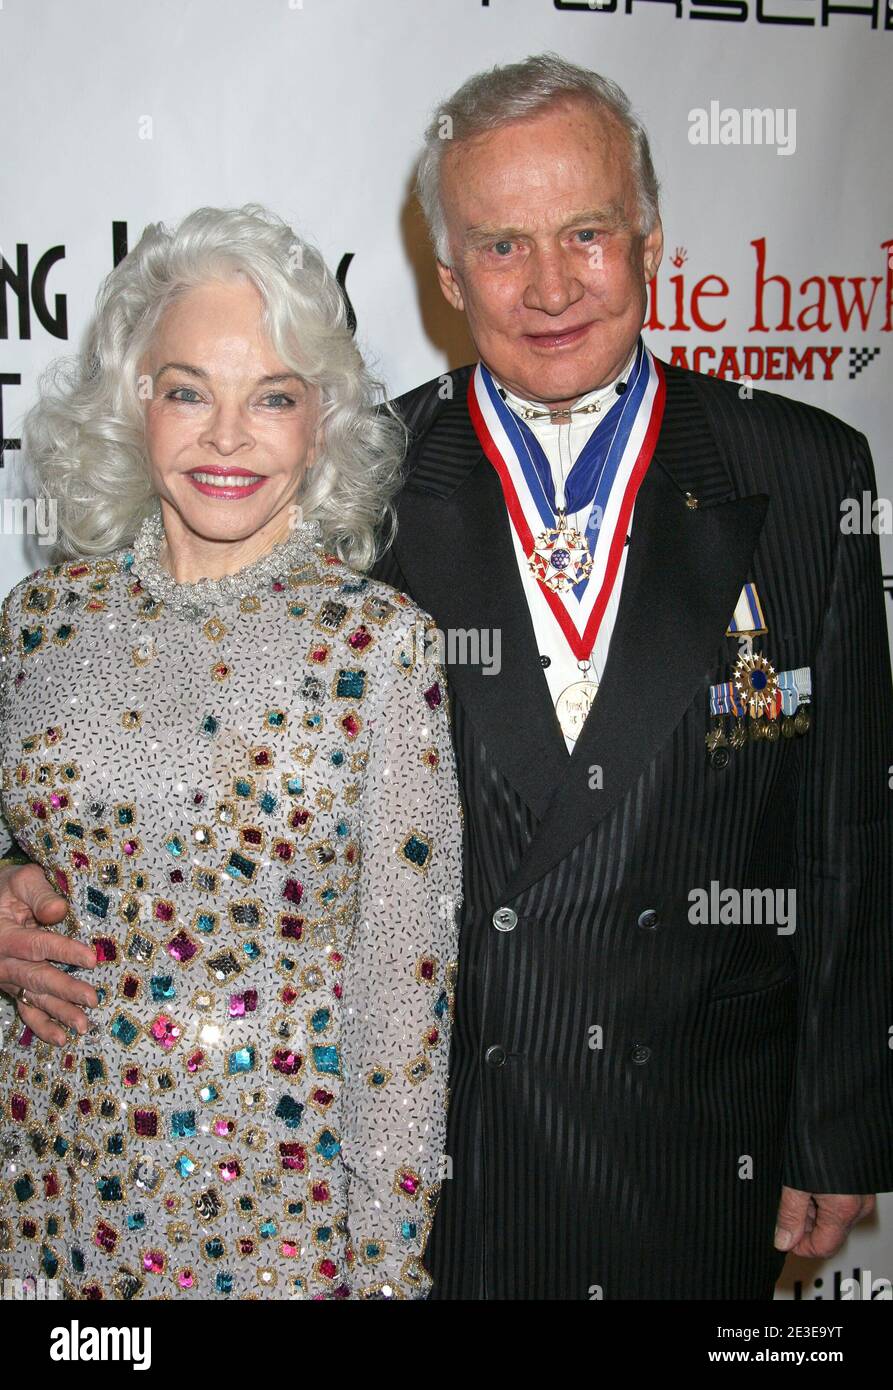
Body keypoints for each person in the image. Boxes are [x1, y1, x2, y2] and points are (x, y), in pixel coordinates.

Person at [366, 54, 892, 1298]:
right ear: (449, 278)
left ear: (649, 240)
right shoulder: (360, 485)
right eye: (501, 246)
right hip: (436, 1163)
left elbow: (844, 834)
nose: (550, 287)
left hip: (698, 1147)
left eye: (586, 233)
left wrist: (835, 1120)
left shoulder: (804, 472)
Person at [0, 204, 462, 1300]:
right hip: (47, 1198)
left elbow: (403, 998)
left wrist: (384, 1271)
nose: (225, 436)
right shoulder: (39, 625)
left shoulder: (378, 646)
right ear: (132, 403)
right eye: (187, 391)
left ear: (322, 422)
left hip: (280, 1231)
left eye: (272, 397)